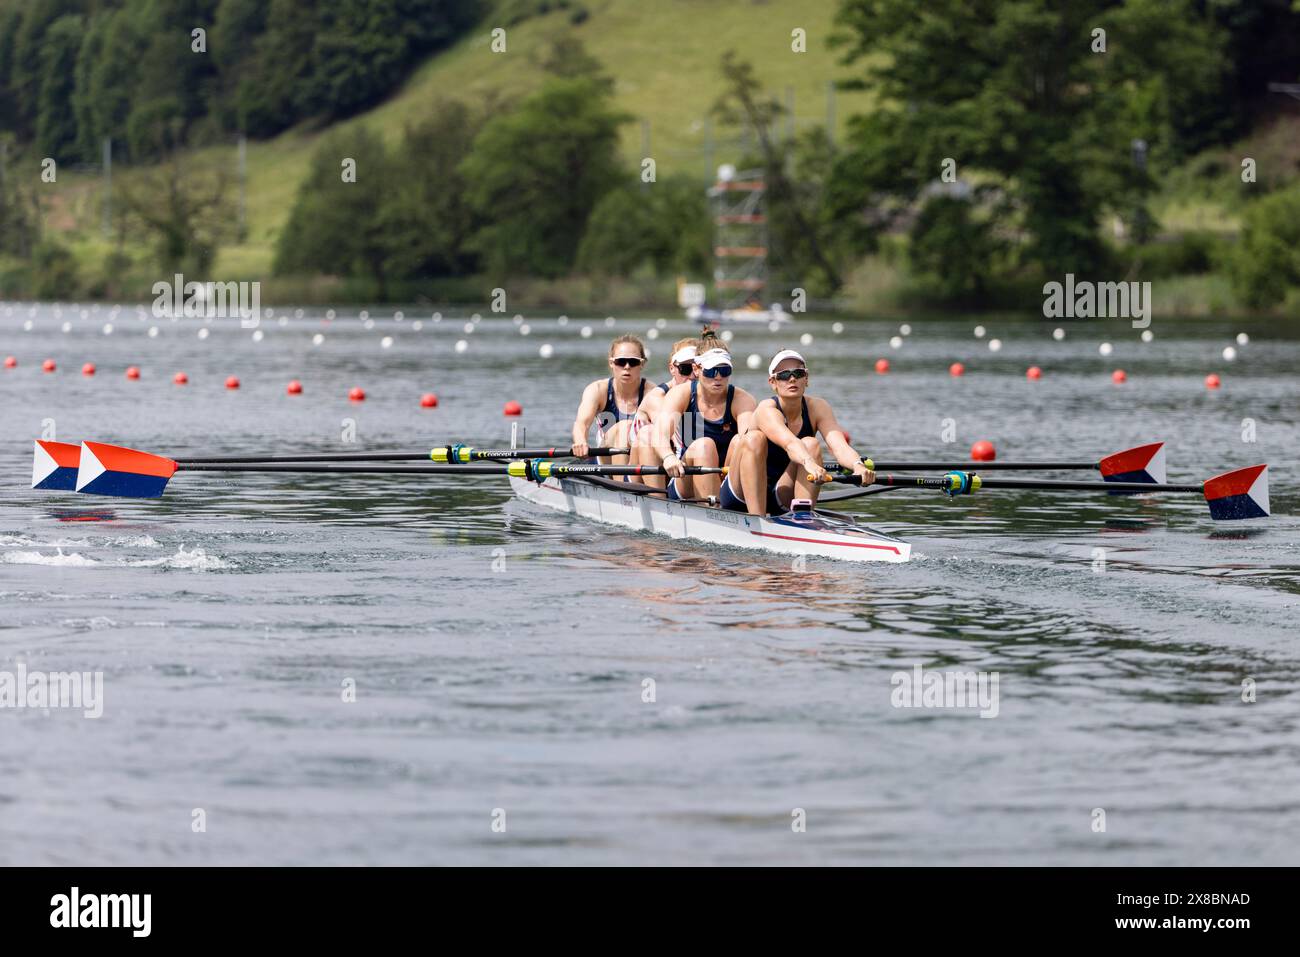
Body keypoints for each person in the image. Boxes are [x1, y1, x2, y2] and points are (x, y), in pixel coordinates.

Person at [720, 349, 874, 515]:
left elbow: (840, 447)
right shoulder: (766, 409)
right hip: (740, 493)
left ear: (806, 379)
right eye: (784, 375)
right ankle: (757, 520)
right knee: (754, 438)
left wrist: (858, 466)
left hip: (781, 491)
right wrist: (809, 463)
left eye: (798, 373)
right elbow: (790, 443)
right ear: (773, 382)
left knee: (811, 444)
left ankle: (802, 518)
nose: (792, 378)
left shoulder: (818, 407)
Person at [653, 345, 757, 501]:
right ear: (696, 369)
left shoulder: (743, 399)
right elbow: (659, 434)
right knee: (704, 446)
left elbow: (747, 443)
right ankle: (712, 511)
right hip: (686, 476)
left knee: (740, 441)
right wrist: (668, 456)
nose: (718, 377)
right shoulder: (681, 393)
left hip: (726, 475)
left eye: (724, 371)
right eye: (710, 371)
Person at [627, 336, 701, 486]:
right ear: (673, 368)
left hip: (676, 467)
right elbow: (674, 438)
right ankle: (657, 499)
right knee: (648, 434)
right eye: (686, 368)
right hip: (640, 474)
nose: (693, 375)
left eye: (697, 368)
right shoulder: (658, 397)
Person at [571, 335, 648, 464]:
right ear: (611, 363)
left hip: (638, 458)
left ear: (642, 364)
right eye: (621, 361)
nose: (627, 367)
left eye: (633, 362)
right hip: (606, 458)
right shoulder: (598, 390)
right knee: (625, 428)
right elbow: (581, 424)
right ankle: (623, 482)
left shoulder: (651, 393)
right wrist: (580, 442)